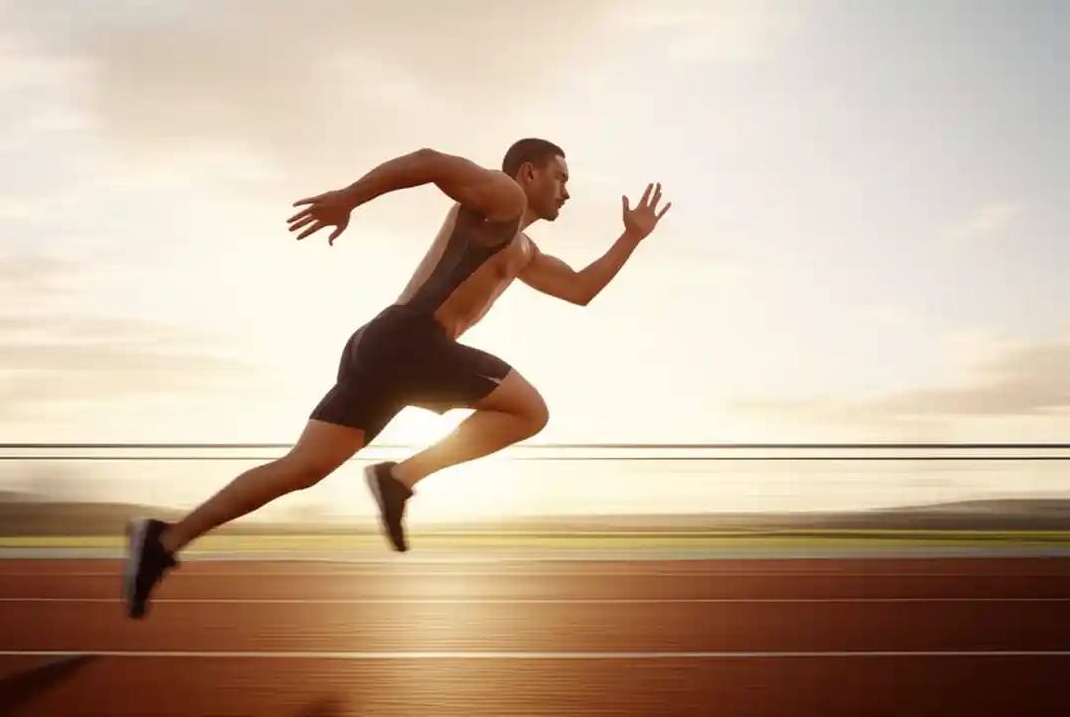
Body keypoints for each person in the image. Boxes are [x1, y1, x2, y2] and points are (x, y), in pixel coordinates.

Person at [123, 138, 671, 618]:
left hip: (384, 351)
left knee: (301, 468)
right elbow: (429, 161)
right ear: (529, 173)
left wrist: (633, 238)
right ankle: (400, 479)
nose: (567, 192)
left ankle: (164, 540)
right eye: (561, 177)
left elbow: (579, 289)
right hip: (411, 340)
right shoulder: (504, 196)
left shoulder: (524, 250)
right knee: (531, 412)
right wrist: (348, 198)